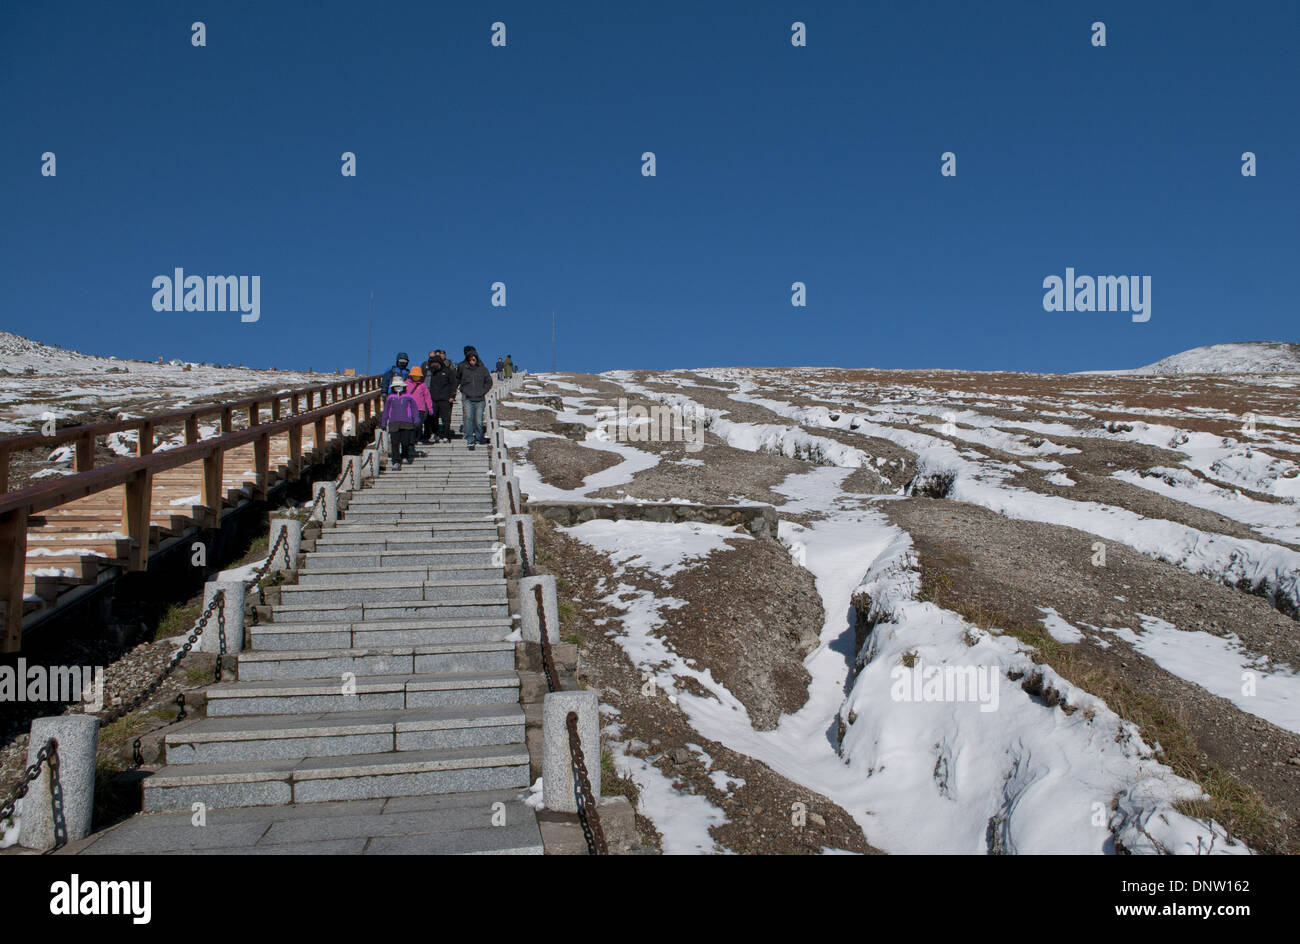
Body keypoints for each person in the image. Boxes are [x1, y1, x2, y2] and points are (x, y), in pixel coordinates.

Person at [457, 349, 493, 450]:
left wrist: (483, 391)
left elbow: (489, 382)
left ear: (477, 359)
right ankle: (470, 439)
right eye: (470, 359)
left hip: (480, 399)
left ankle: (478, 437)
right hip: (468, 398)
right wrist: (463, 390)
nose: (472, 361)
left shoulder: (483, 369)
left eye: (473, 359)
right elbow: (459, 380)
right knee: (468, 418)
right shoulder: (465, 369)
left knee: (478, 421)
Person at [380, 375, 419, 466]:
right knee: (395, 443)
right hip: (394, 422)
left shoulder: (409, 397)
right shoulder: (390, 398)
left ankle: (405, 456)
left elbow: (414, 408)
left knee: (405, 442)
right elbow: (386, 411)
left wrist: (416, 418)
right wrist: (383, 423)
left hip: (407, 422)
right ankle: (396, 461)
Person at [426, 352, 458, 442]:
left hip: (445, 399)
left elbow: (453, 384)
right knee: (433, 418)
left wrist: (452, 395)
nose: (433, 365)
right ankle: (435, 434)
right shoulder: (432, 373)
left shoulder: (448, 371)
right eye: (432, 364)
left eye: (435, 363)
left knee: (446, 419)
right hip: (434, 399)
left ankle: (446, 435)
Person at [405, 366, 435, 444]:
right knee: (411, 425)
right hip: (409, 407)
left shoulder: (423, 385)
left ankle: (417, 438)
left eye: (417, 376)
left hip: (420, 408)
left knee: (418, 425)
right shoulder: (406, 384)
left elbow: (427, 397)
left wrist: (430, 408)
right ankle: (412, 441)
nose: (416, 377)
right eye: (414, 376)